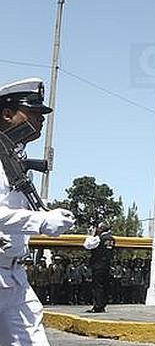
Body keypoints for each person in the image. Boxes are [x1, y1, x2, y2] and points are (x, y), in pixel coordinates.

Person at [0, 78, 76, 343]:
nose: (40, 119)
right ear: (7, 114)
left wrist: (48, 214)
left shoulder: (12, 158)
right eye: (32, 113)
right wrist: (42, 221)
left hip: (14, 277)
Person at [83, 222, 115, 313]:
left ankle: (97, 306)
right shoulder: (112, 239)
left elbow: (87, 245)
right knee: (105, 286)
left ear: (100, 229)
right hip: (107, 265)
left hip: (98, 265)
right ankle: (102, 305)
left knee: (97, 286)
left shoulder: (99, 238)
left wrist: (90, 235)